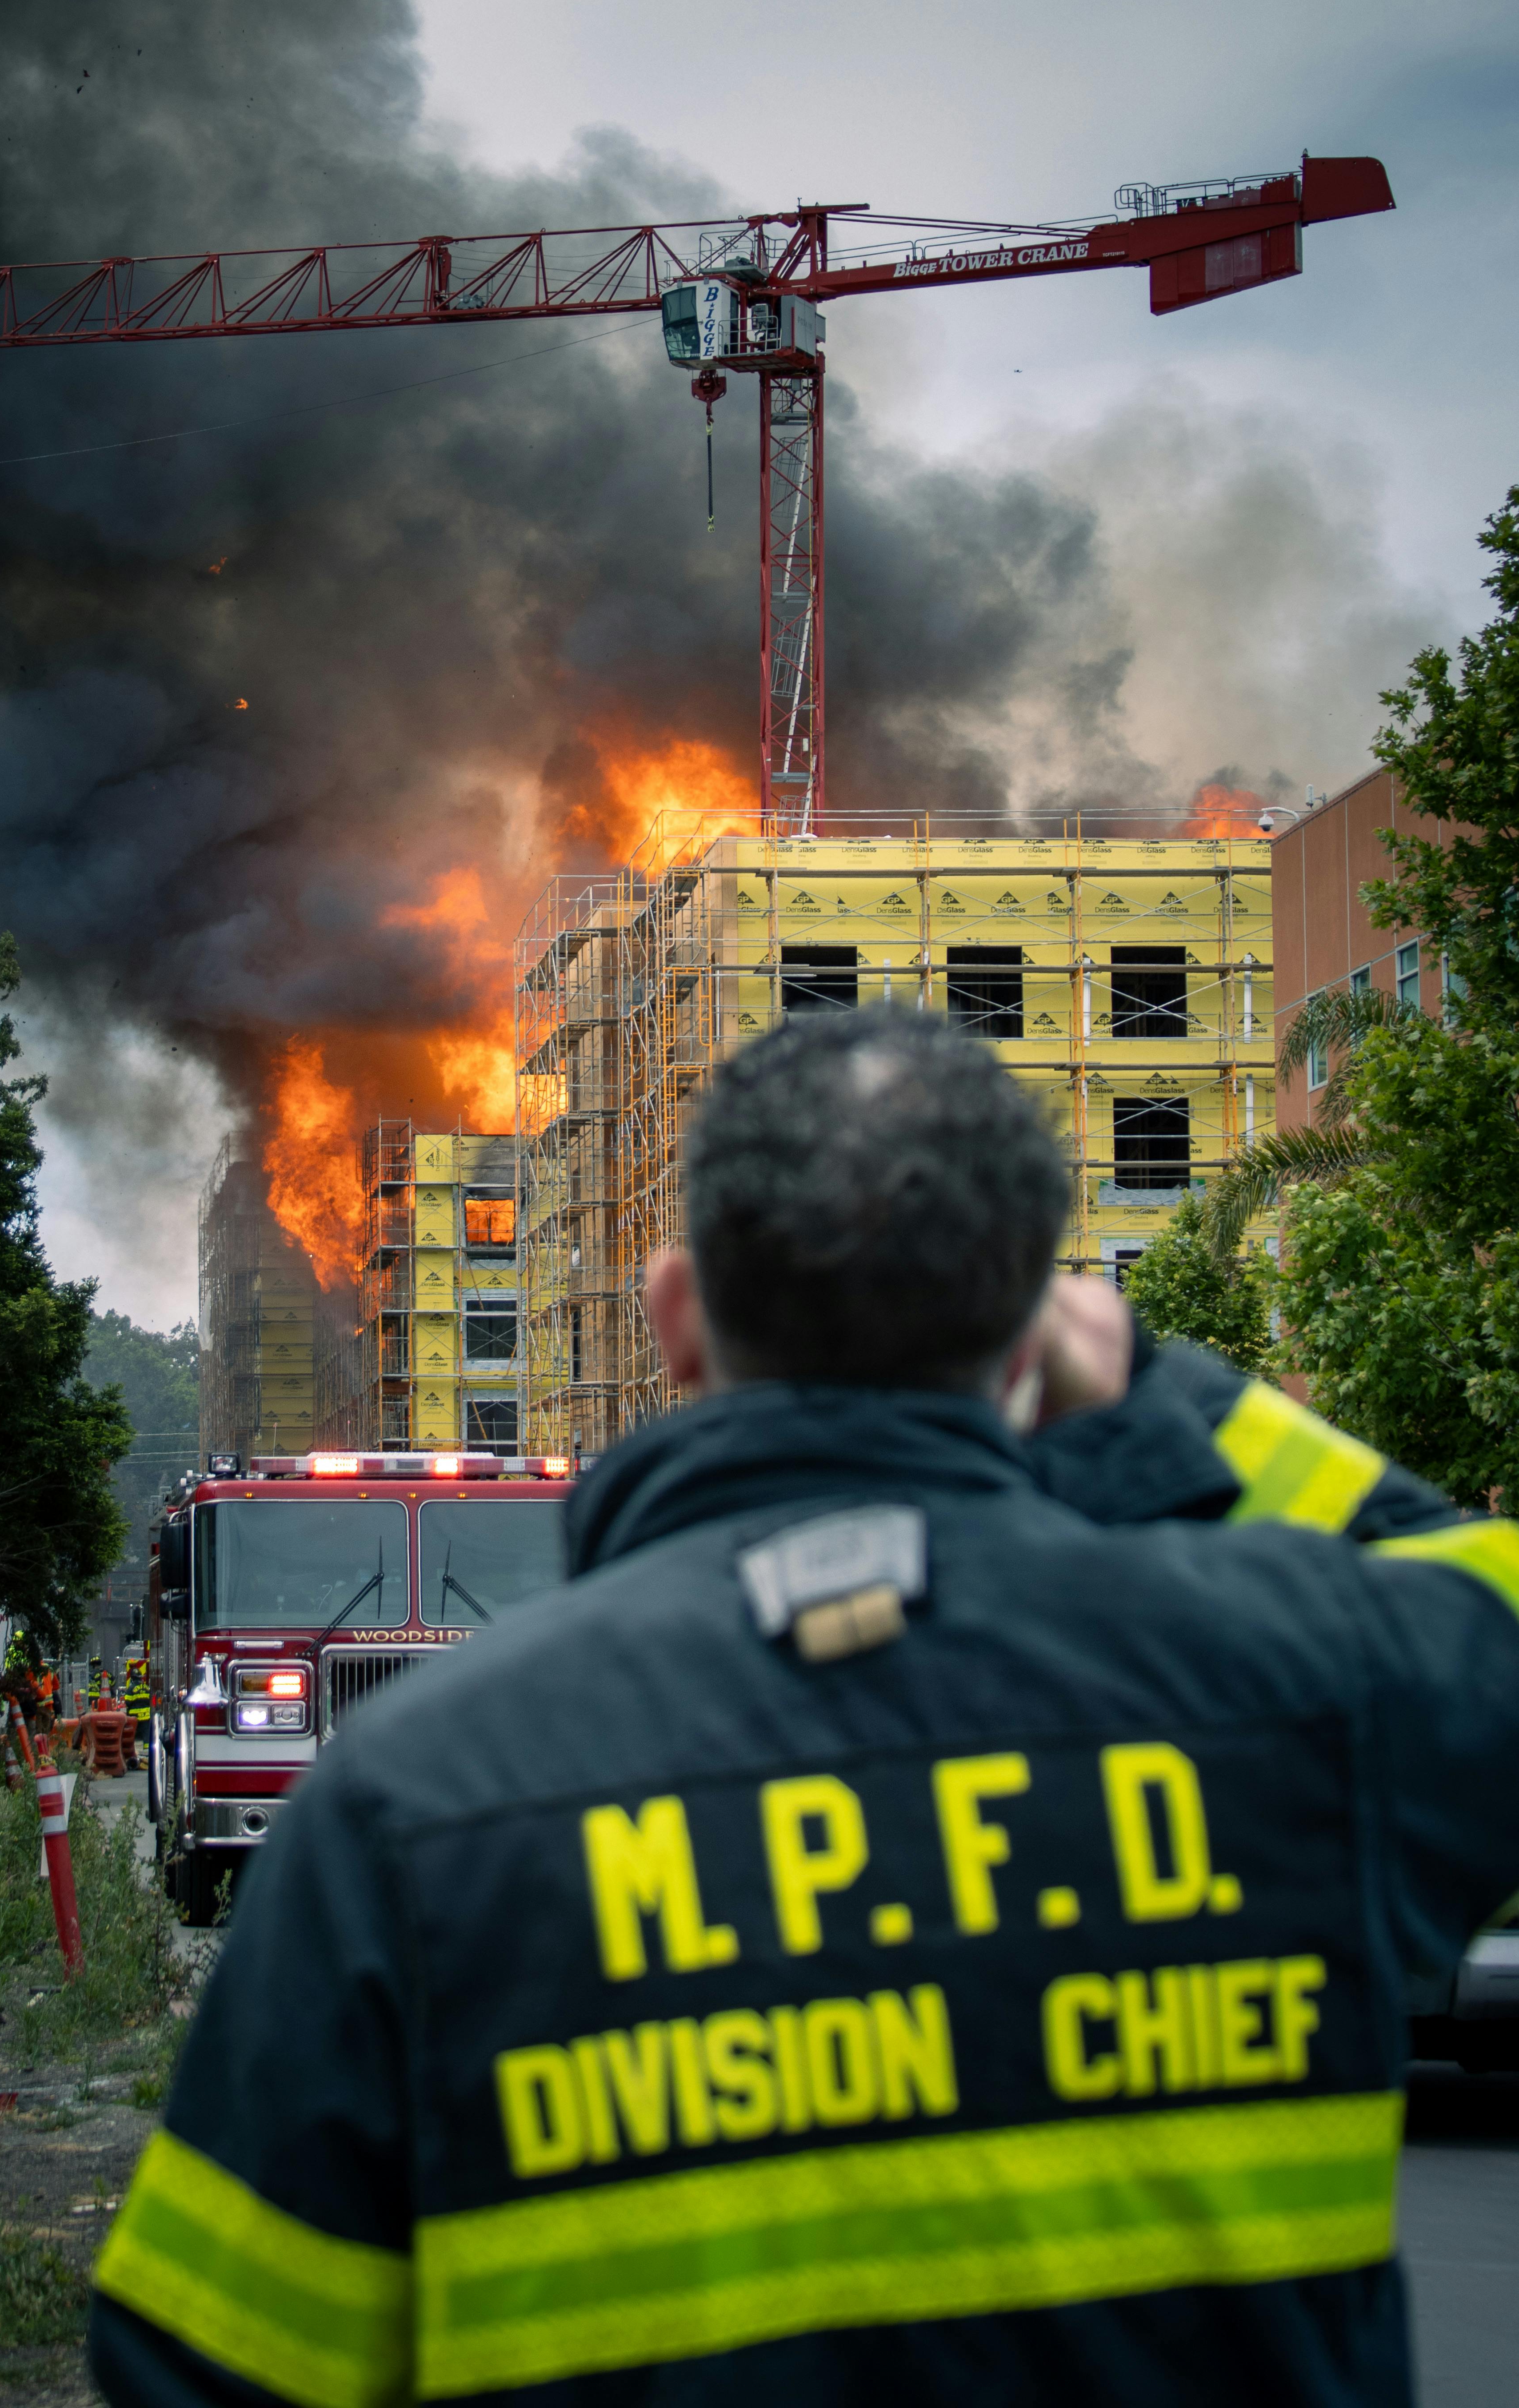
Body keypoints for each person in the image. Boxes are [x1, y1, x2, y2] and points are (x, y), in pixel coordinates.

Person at [89, 1010, 1519, 2407]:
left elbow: (199, 2358)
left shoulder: (403, 1812)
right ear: (1034, 1333)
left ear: (676, 1318)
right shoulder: (1303, 1696)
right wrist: (1161, 1393)